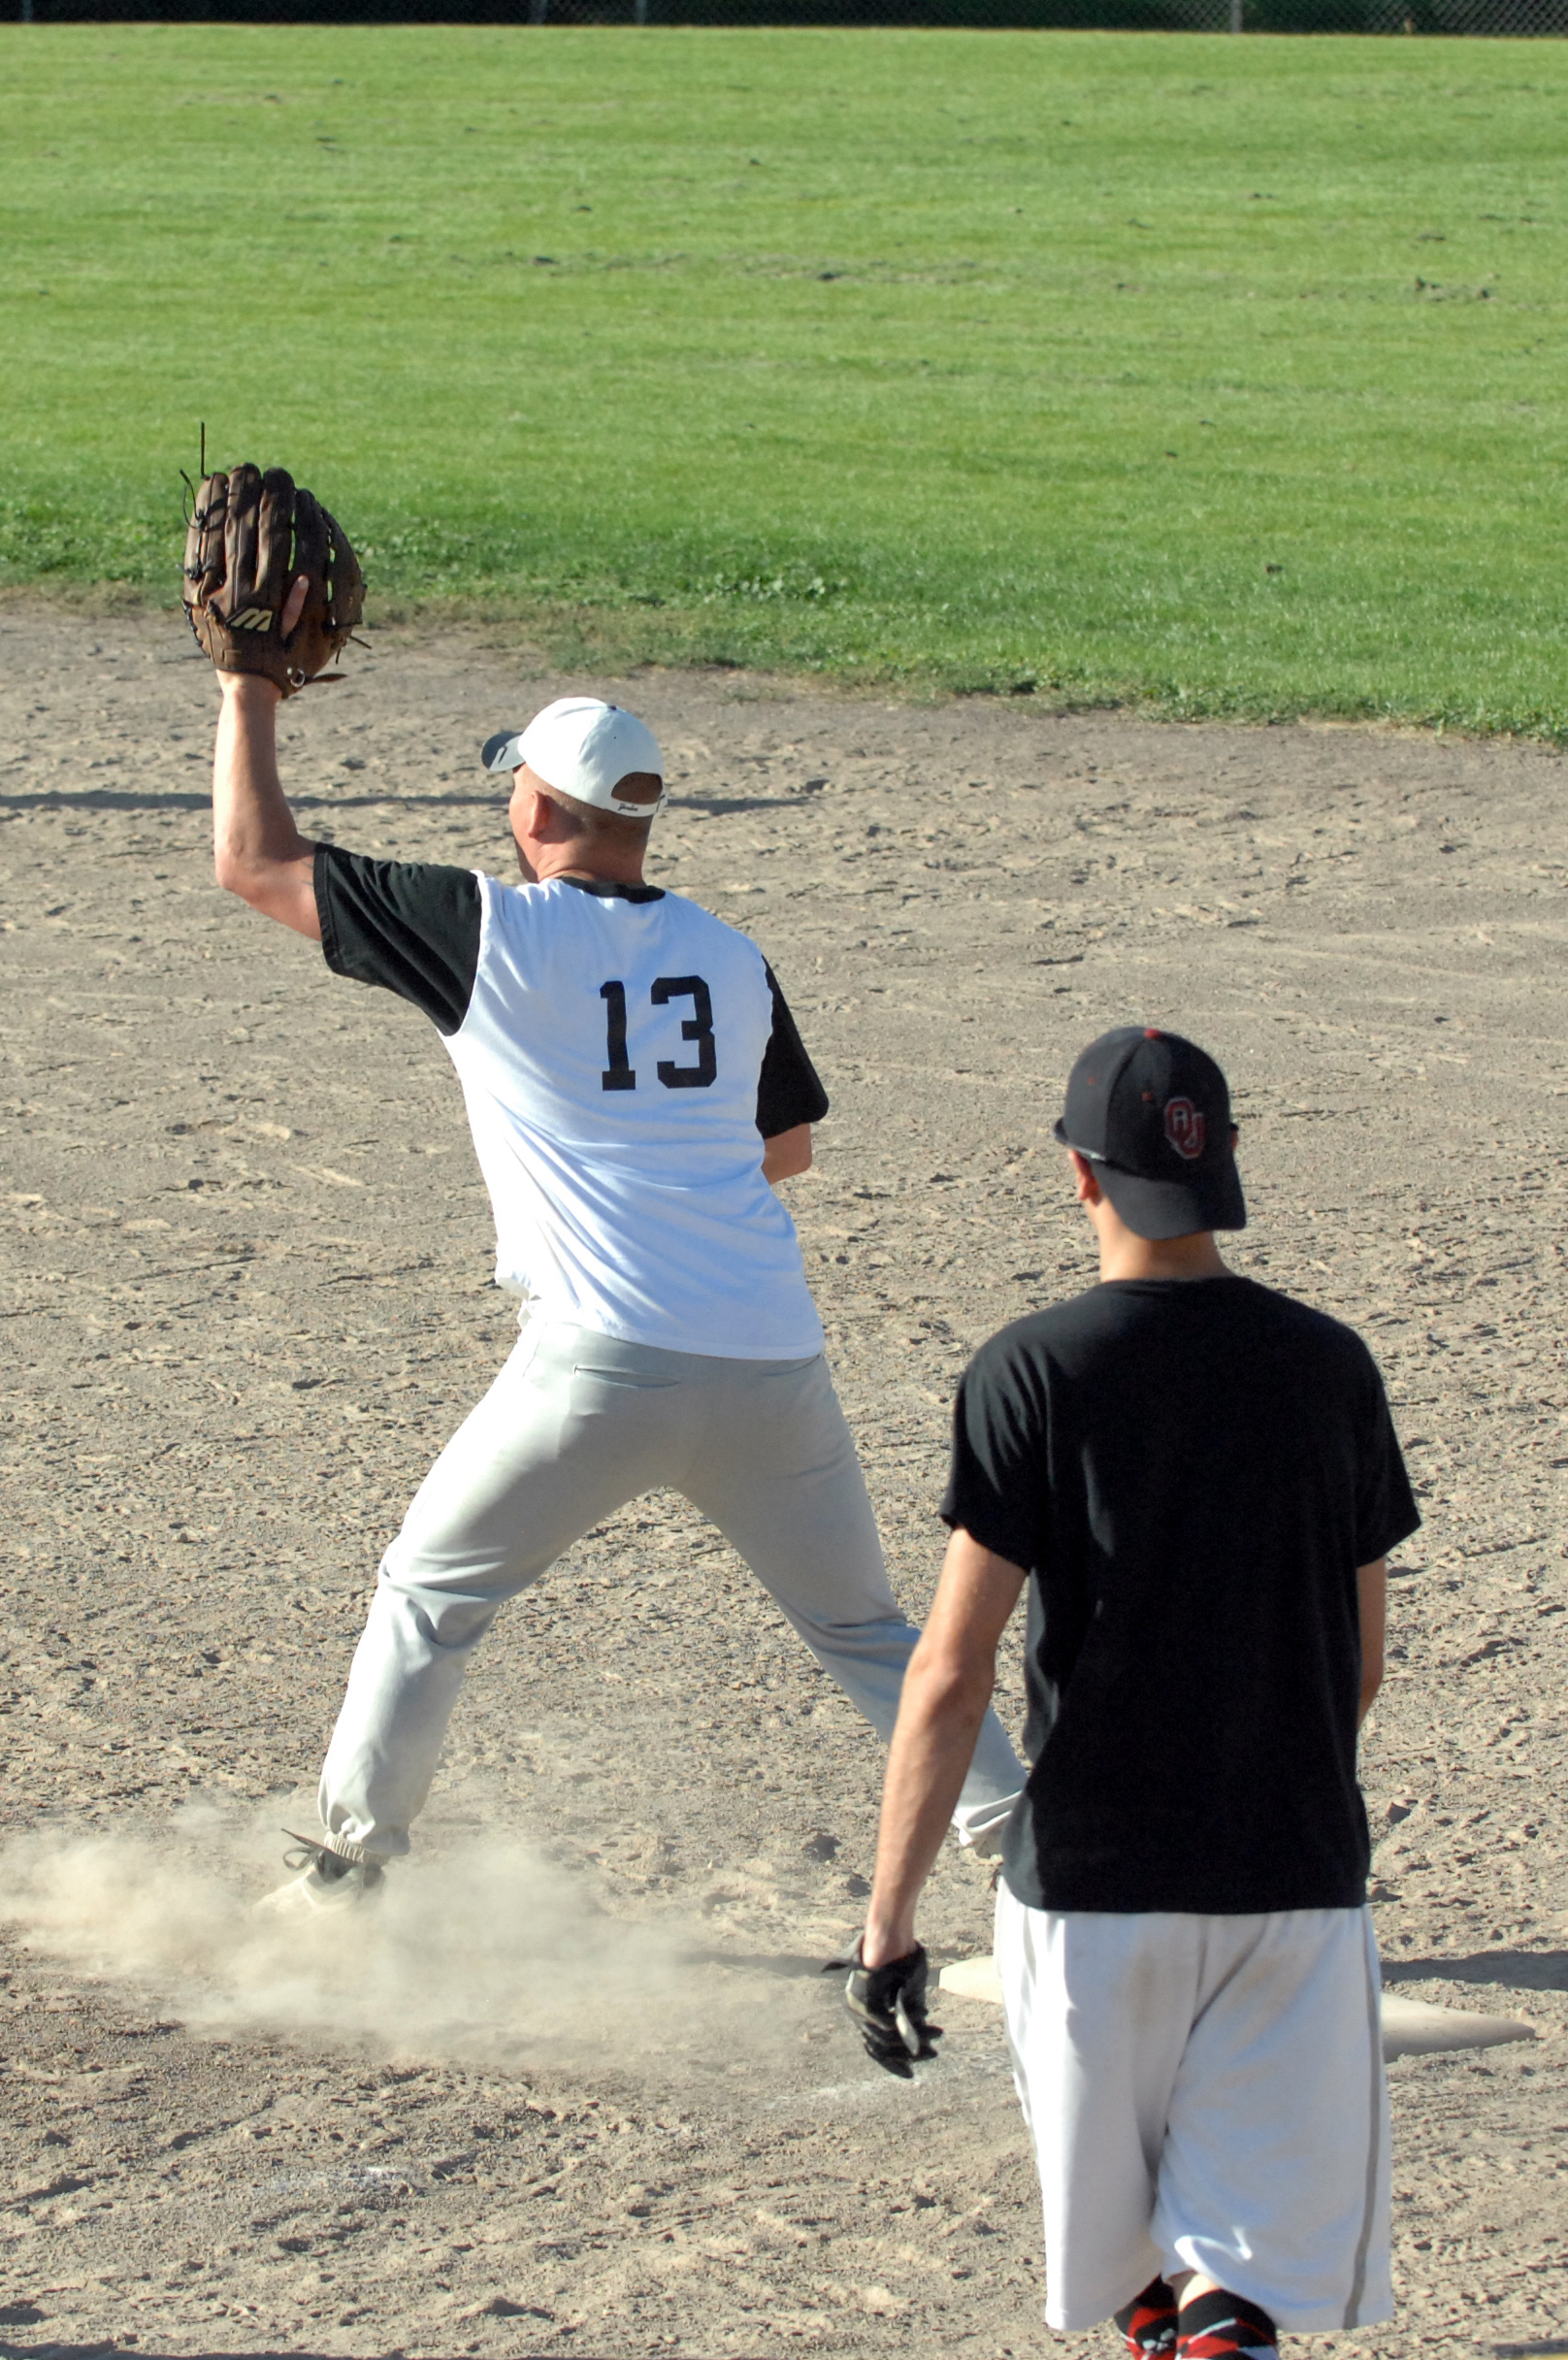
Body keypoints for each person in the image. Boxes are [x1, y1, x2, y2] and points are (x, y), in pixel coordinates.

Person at [205, 663, 1028, 1910]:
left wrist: (247, 688)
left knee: (432, 1591)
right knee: (867, 1632)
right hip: (769, 1362)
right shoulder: (731, 955)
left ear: (539, 815)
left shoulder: (491, 929)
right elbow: (785, 1147)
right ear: (637, 820)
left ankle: (350, 1871)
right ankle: (1043, 1864)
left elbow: (254, 862)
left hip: (595, 1365)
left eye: (516, 789)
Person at [851, 1026, 1417, 2360]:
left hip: (1092, 1889)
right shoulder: (1331, 1366)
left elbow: (947, 1672)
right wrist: (1275, 1787)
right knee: (1238, 2282)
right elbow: (1364, 1651)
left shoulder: (1033, 1371)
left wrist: (887, 1927)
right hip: (1289, 1881)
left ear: (1080, 1175)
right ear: (1217, 1167)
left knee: (1134, 2274)